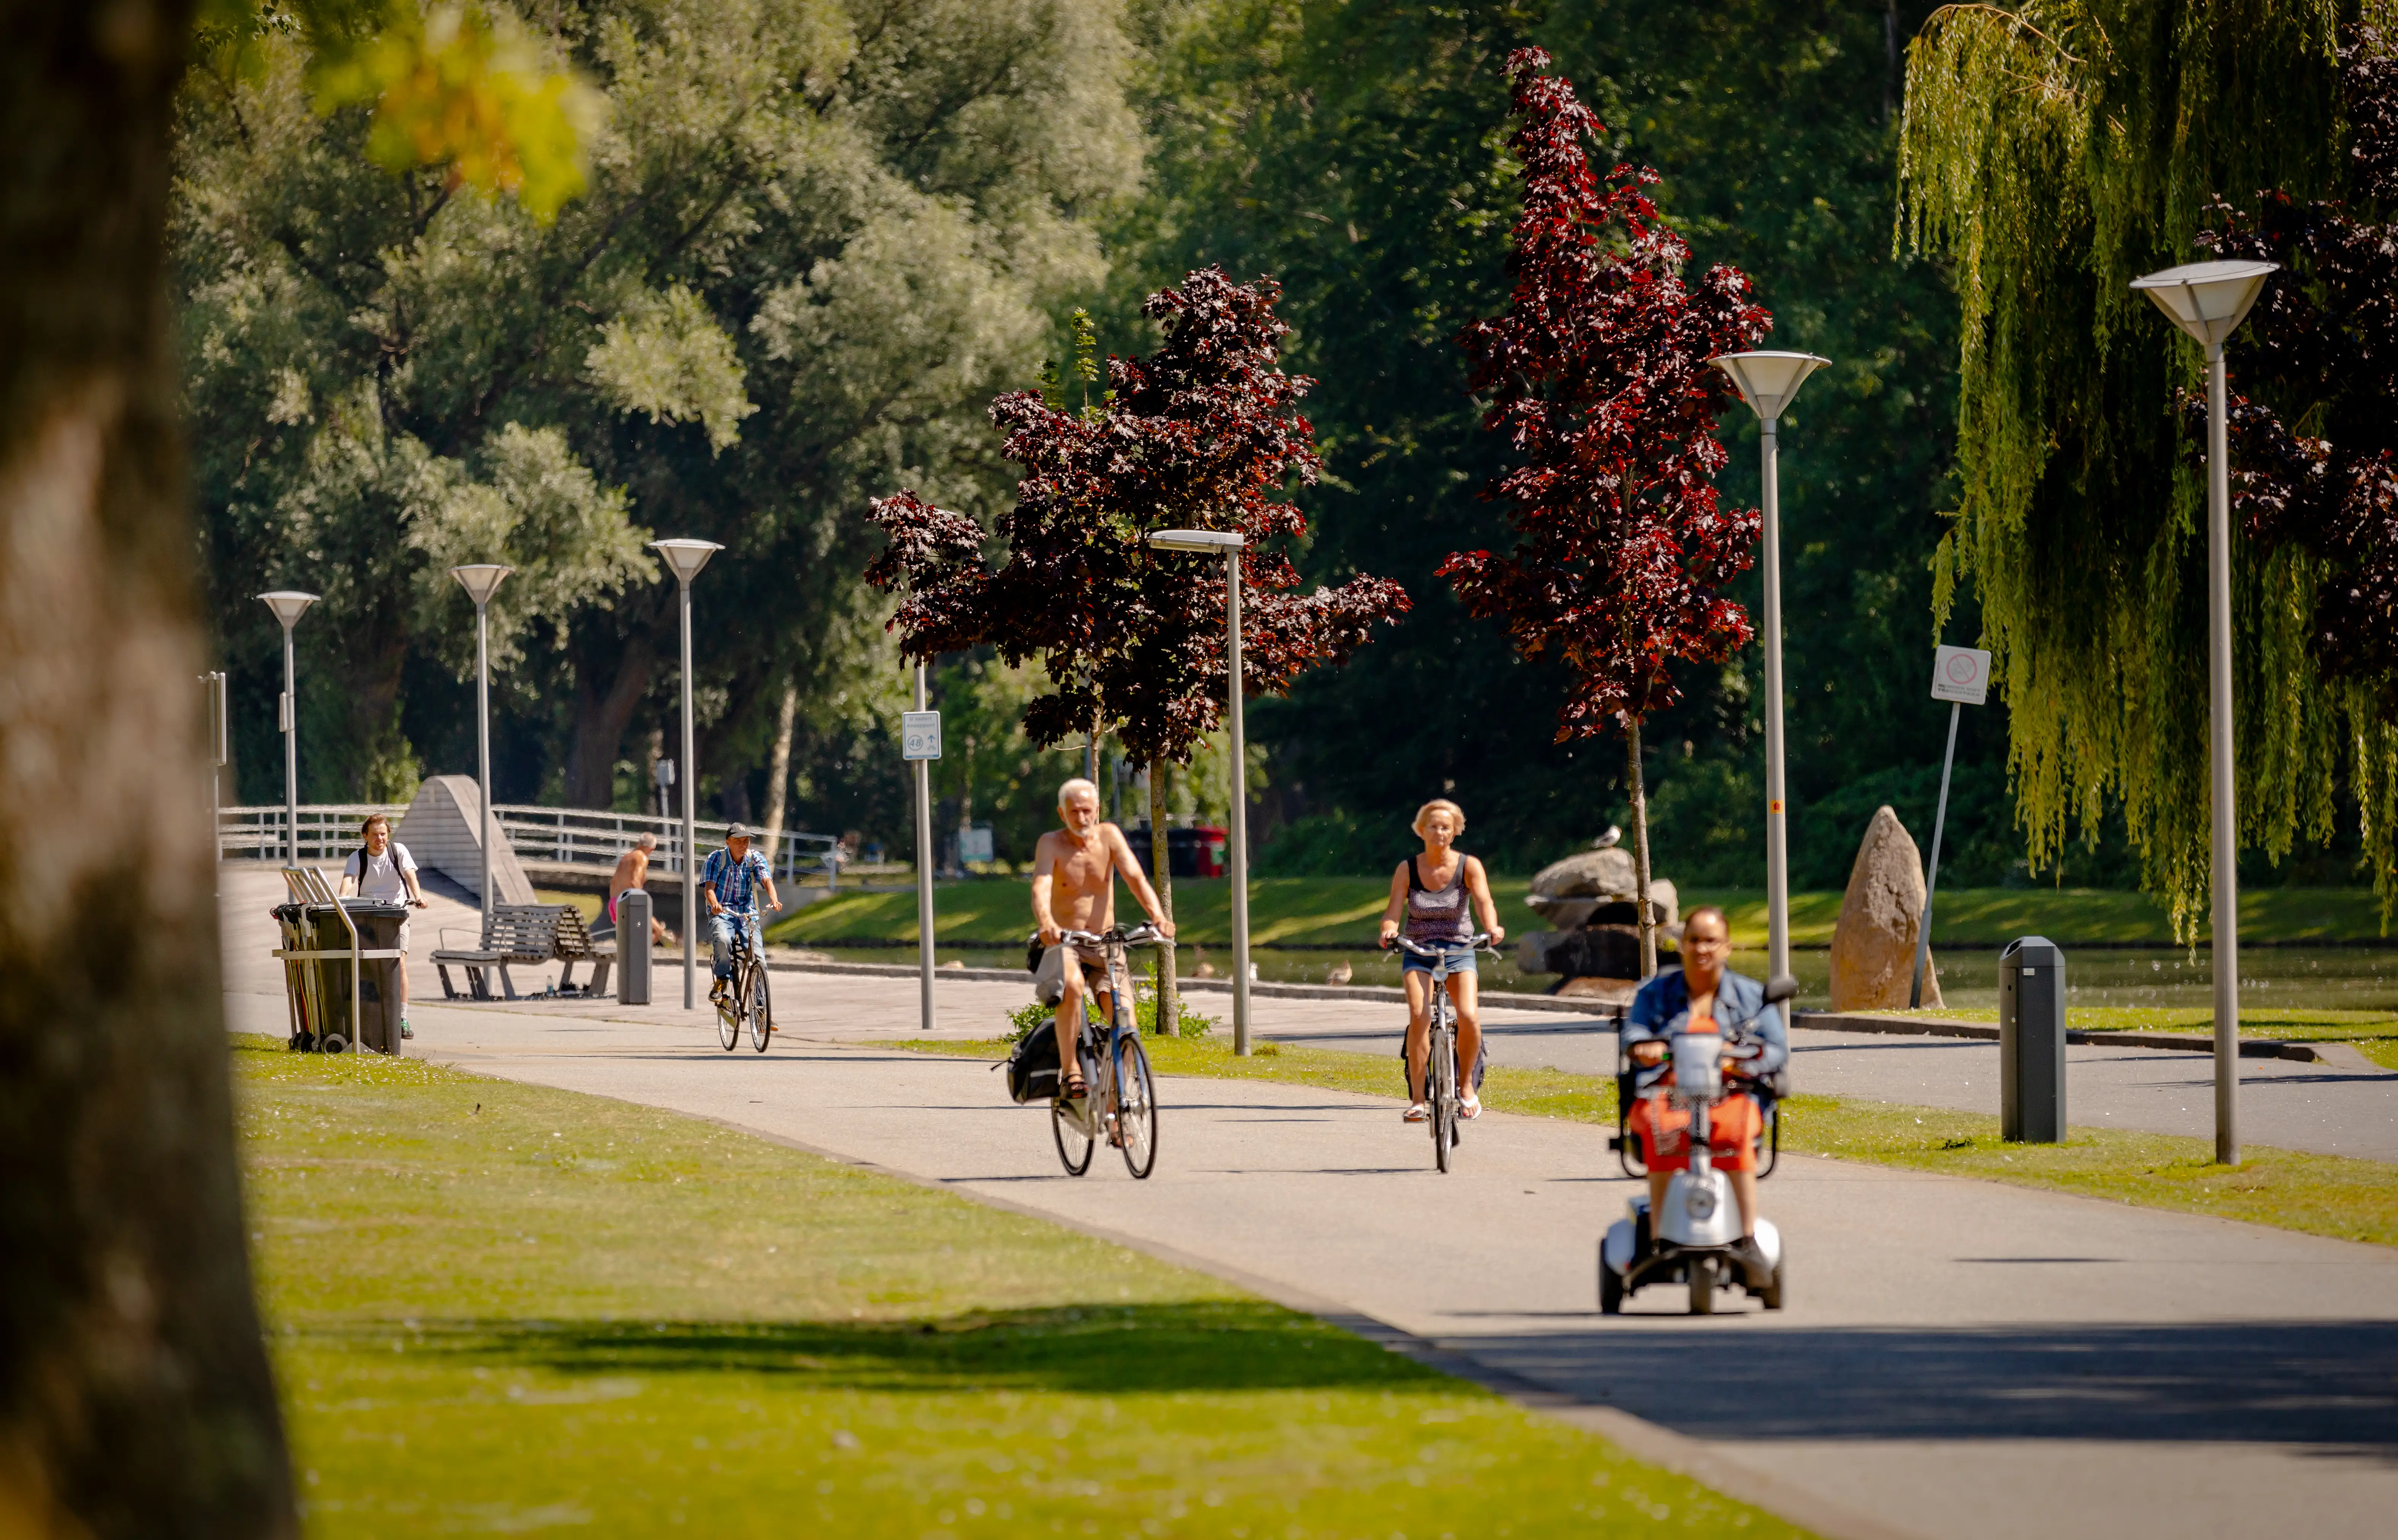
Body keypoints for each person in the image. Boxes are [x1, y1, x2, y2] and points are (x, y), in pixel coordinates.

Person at [1621, 905, 1788, 1283]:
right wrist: (1642, 1047)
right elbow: (1633, 1032)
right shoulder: (1655, 993)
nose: (1701, 949)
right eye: (1693, 940)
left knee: (1735, 1129)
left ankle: (1745, 1238)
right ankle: (1656, 1239)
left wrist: (1743, 1063)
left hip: (1730, 1093)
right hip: (1670, 1091)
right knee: (1659, 1126)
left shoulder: (1750, 996)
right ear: (1682, 945)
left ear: (1726, 947)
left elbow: (1776, 1048)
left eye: (1710, 941)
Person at [1029, 777, 1176, 1100]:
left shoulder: (1109, 836)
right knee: (1072, 987)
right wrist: (1046, 923)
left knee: (1124, 1017)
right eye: (1074, 812)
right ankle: (1072, 1072)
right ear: (1061, 813)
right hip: (1065, 942)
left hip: (1105, 944)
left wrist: (1159, 917)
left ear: (1097, 810)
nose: (1081, 818)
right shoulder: (1050, 844)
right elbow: (1041, 886)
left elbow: (1135, 877)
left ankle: (1116, 1104)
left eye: (1087, 811)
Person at [1377, 799, 1505, 1122]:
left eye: (1446, 826)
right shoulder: (1408, 868)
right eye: (1432, 826)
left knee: (1468, 1015)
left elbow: (1483, 902)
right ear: (1421, 830)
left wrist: (1492, 928)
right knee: (1420, 1015)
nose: (1439, 831)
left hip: (1460, 948)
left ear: (1456, 831)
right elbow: (1393, 911)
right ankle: (1419, 1100)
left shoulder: (1468, 866)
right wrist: (1389, 931)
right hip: (1419, 949)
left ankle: (1466, 1090)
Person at [337, 813, 429, 1038]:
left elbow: (410, 876)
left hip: (396, 915)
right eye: (375, 835)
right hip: (368, 915)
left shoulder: (398, 852)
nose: (380, 839)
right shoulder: (357, 858)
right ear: (365, 836)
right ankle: (367, 1015)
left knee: (399, 965)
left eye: (383, 834)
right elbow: (349, 880)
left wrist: (418, 897)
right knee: (366, 966)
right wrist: (341, 899)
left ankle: (402, 1018)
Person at [702, 823, 782, 1006]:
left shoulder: (754, 859)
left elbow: (766, 880)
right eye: (738, 841)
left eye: (746, 841)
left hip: (747, 913)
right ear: (728, 842)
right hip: (724, 911)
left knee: (758, 957)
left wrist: (774, 899)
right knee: (722, 939)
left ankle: (761, 1006)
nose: (743, 845)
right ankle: (722, 980)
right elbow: (709, 889)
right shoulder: (717, 859)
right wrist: (714, 904)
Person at [606, 834, 678, 949]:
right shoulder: (642, 858)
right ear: (653, 849)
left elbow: (614, 882)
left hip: (615, 903)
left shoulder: (627, 857)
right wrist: (640, 902)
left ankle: (633, 955)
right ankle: (638, 955)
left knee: (634, 934)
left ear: (638, 844)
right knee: (657, 931)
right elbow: (635, 881)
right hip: (628, 904)